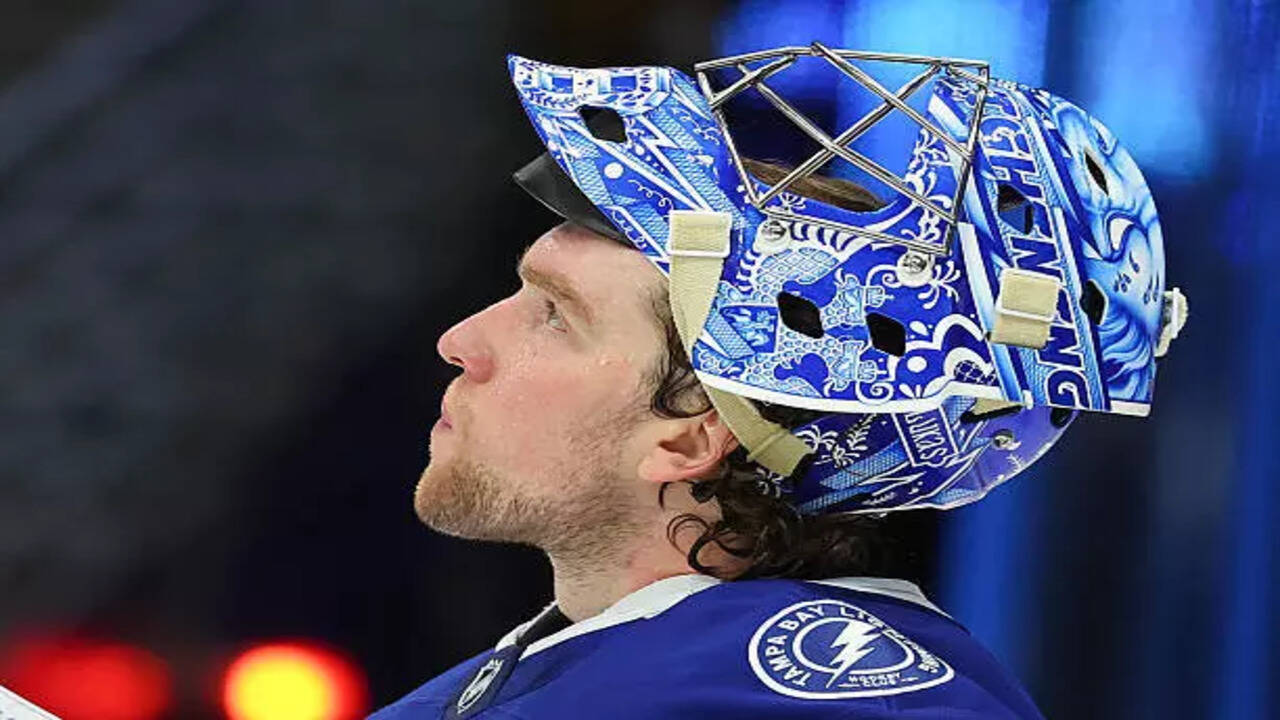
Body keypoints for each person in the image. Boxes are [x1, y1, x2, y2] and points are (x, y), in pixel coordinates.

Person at [370, 43, 1187, 719]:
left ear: (691, 438)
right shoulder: (594, 665)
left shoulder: (798, 698)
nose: (459, 342)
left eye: (556, 315)